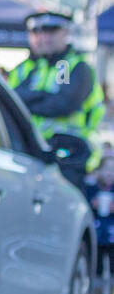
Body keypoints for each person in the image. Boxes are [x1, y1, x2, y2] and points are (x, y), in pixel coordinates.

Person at [8, 10, 105, 188]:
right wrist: (42, 96)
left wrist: (27, 99)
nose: (43, 37)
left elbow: (61, 105)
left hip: (69, 156)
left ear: (65, 33)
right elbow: (10, 101)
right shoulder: (25, 68)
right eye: (36, 32)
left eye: (51, 31)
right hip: (29, 152)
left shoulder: (66, 66)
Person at [83, 155, 114, 294]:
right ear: (99, 171)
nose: (110, 173)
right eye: (107, 170)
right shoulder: (92, 189)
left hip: (112, 236)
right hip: (97, 235)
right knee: (98, 270)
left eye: (112, 170)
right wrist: (92, 204)